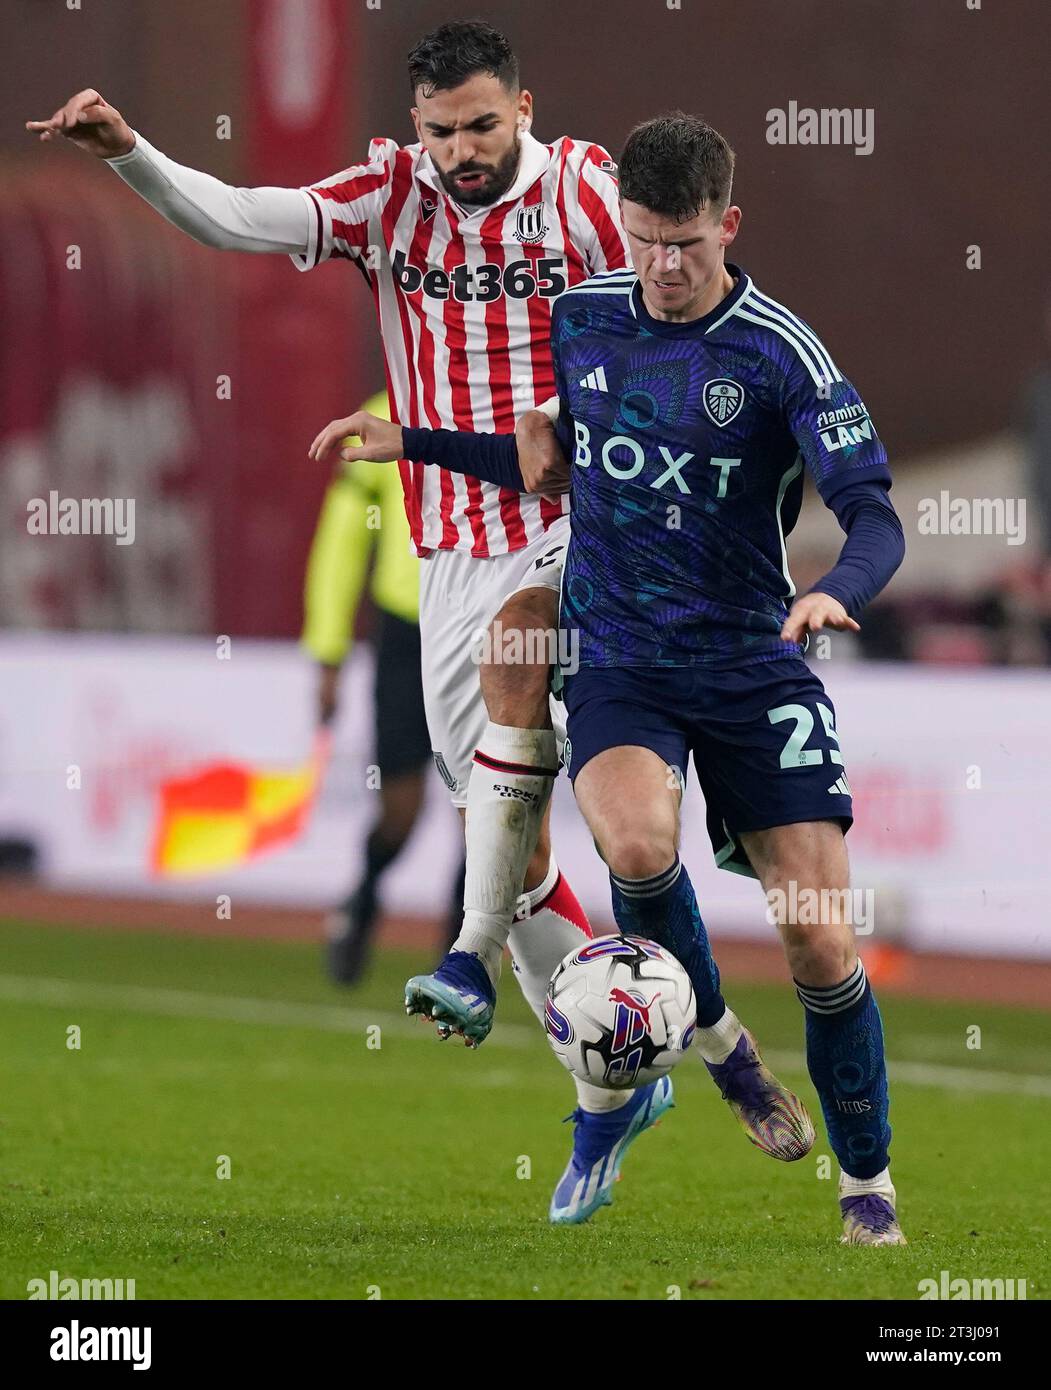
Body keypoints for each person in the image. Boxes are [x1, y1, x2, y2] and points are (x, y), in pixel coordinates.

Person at [30, 21, 748, 1227]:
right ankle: (607, 1076)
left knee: (547, 687)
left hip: (580, 527)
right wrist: (129, 155)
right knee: (510, 851)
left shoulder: (583, 190)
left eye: (481, 124)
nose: (461, 150)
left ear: (524, 107)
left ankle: (580, 965)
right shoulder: (387, 195)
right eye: (441, 129)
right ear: (415, 127)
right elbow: (241, 218)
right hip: (446, 548)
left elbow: (687, 284)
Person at [322, 112, 909, 1246]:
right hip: (622, 659)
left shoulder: (782, 351)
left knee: (820, 944)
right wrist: (420, 443)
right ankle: (725, 1056)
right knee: (634, 847)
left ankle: (866, 1182)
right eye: (641, 240)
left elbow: (873, 507)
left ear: (727, 226)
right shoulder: (582, 319)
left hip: (749, 663)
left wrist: (844, 586)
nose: (661, 267)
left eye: (684, 243)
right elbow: (549, 464)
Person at [303, 389, 465, 983]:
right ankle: (364, 898)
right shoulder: (379, 415)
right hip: (408, 635)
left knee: (492, 806)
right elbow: (340, 546)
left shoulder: (508, 404)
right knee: (400, 811)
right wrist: (328, 652)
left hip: (487, 631)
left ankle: (460, 953)